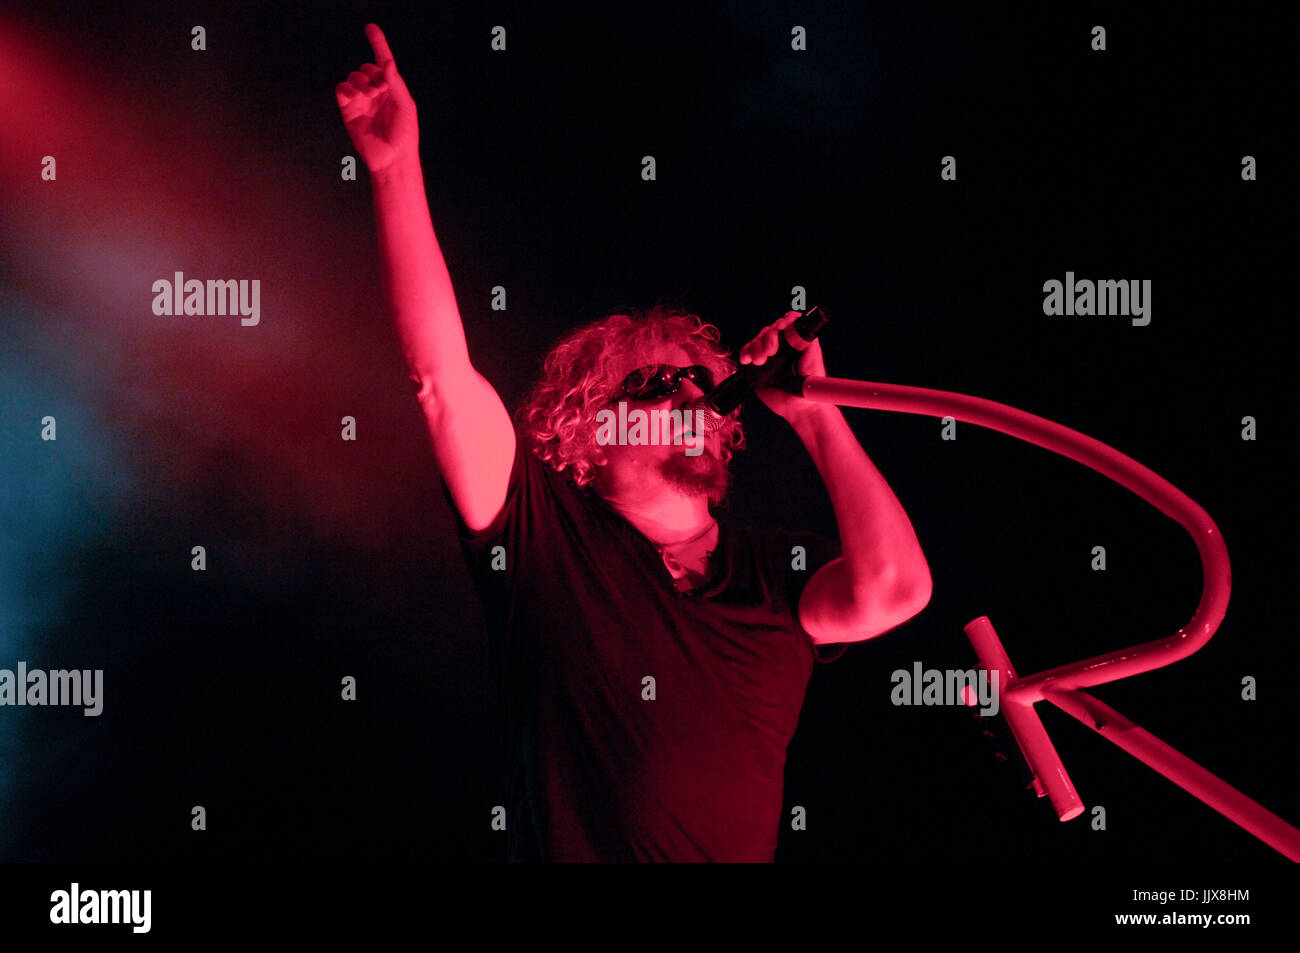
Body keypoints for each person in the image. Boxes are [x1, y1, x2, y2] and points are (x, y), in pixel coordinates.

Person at [336, 23, 933, 861]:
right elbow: (439, 376)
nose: (691, 396)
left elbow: (897, 591)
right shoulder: (544, 537)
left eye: (700, 382)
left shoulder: (770, 571)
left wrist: (814, 414)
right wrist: (396, 172)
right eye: (654, 385)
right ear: (587, 432)